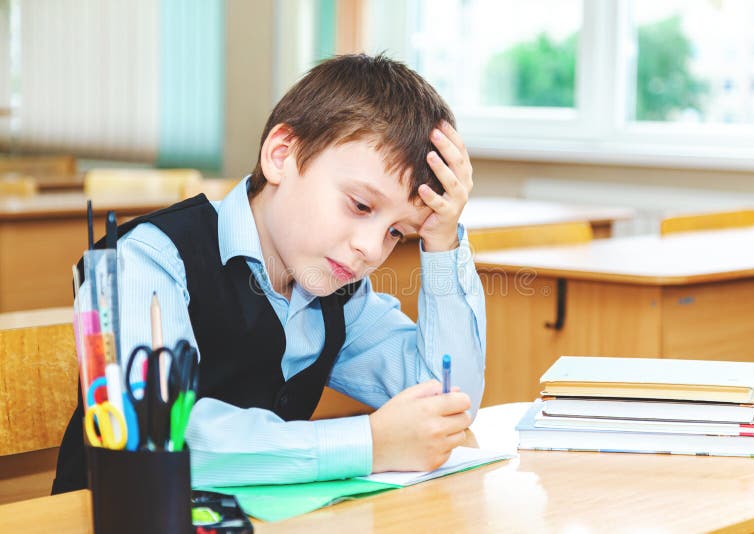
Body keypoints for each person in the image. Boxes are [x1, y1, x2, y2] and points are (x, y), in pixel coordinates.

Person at [53, 53, 486, 492]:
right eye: (359, 205)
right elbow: (155, 440)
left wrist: (442, 242)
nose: (371, 249)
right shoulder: (150, 259)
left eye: (397, 232)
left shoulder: (341, 291)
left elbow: (449, 402)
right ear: (281, 155)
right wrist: (367, 443)